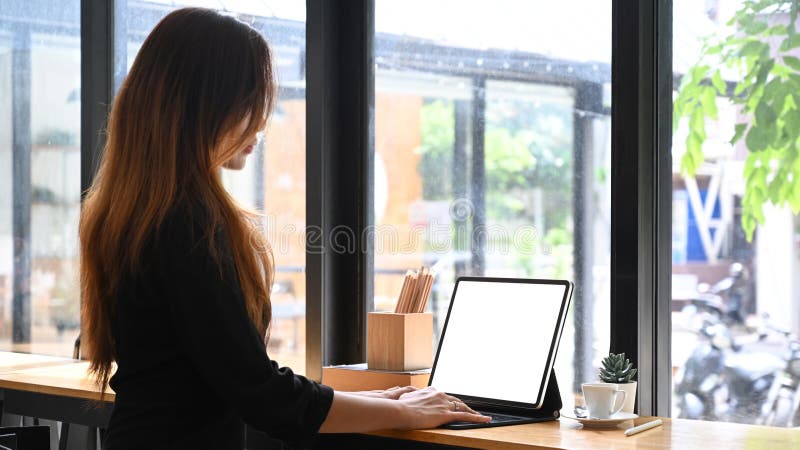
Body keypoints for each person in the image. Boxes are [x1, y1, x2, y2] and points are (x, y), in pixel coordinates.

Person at [79, 7, 489, 450]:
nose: (260, 122)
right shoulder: (188, 224)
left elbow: (208, 375)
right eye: (249, 104)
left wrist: (373, 399)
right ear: (203, 105)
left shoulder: (133, 213)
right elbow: (260, 392)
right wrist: (403, 411)